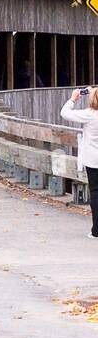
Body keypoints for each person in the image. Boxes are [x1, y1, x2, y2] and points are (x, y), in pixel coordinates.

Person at [59, 87, 98, 238]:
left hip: (93, 160)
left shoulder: (89, 115)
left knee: (95, 193)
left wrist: (73, 98)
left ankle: (96, 230)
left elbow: (65, 113)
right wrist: (93, 90)